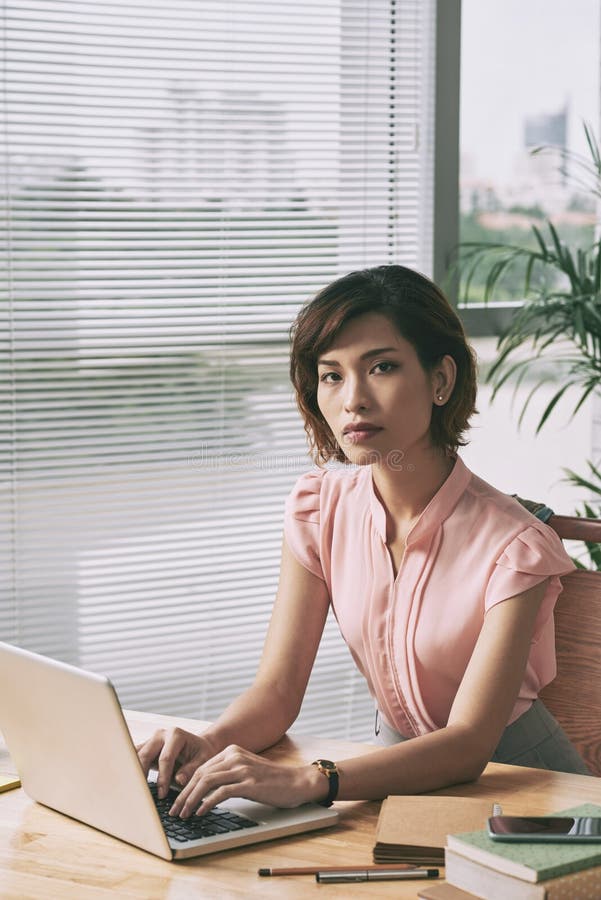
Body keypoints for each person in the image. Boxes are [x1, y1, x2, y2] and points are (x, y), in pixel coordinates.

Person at [137, 264, 589, 821]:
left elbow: (471, 743)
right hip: (392, 778)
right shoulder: (318, 510)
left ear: (442, 381)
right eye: (332, 375)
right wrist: (210, 743)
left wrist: (310, 780)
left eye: (382, 367)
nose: (353, 399)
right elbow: (277, 691)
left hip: (528, 790)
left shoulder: (515, 545)